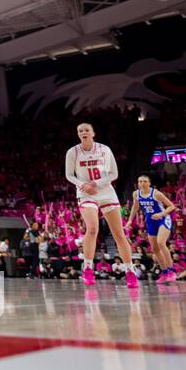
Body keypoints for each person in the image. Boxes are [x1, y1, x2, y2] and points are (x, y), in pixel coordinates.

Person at [65, 122, 138, 288]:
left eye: (86, 130)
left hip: (105, 191)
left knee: (119, 234)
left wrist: (95, 184)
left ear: (93, 133)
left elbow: (114, 173)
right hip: (85, 192)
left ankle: (130, 271)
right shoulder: (73, 152)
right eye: (80, 131)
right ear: (78, 134)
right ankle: (88, 269)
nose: (83, 132)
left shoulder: (104, 149)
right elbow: (69, 175)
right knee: (92, 229)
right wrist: (83, 185)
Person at [127, 174, 179, 283]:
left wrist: (161, 214)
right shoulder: (136, 194)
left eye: (145, 181)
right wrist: (130, 221)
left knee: (161, 243)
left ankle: (171, 271)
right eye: (140, 181)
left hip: (163, 219)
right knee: (155, 249)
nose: (142, 183)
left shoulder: (156, 193)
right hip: (150, 221)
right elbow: (135, 207)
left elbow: (171, 206)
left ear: (149, 183)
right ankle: (164, 272)